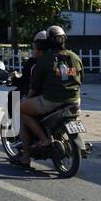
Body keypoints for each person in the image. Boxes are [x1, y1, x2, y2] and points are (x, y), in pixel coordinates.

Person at [17, 25, 83, 166]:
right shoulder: (75, 57)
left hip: (51, 100)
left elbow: (34, 86)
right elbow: (80, 78)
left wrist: (28, 98)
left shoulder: (45, 60)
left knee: (20, 109)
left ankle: (43, 139)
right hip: (75, 100)